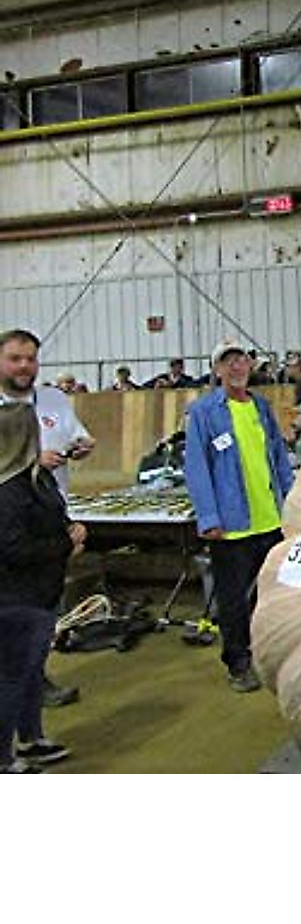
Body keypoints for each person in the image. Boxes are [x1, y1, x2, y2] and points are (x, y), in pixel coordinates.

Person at [183, 339, 294, 692]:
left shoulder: (261, 407)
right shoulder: (204, 412)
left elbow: (279, 457)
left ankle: (268, 653)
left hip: (270, 521)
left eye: (241, 360)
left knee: (273, 593)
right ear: (217, 370)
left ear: (250, 366)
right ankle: (238, 662)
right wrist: (208, 517)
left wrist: (292, 503)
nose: (236, 367)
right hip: (231, 527)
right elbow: (197, 468)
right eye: (227, 361)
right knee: (233, 602)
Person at [0, 328, 95, 709]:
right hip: (10, 526)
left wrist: (80, 446)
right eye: (15, 359)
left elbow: (76, 434)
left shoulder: (53, 399)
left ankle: (33, 681)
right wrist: (28, 459)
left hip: (50, 517)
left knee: (44, 610)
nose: (25, 366)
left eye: (31, 359)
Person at [0, 403, 87, 772]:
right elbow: (13, 549)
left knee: (32, 671)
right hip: (17, 597)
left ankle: (31, 738)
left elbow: (52, 518)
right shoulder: (8, 491)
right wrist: (65, 544)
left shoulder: (40, 479)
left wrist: (70, 530)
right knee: (13, 677)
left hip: (42, 591)